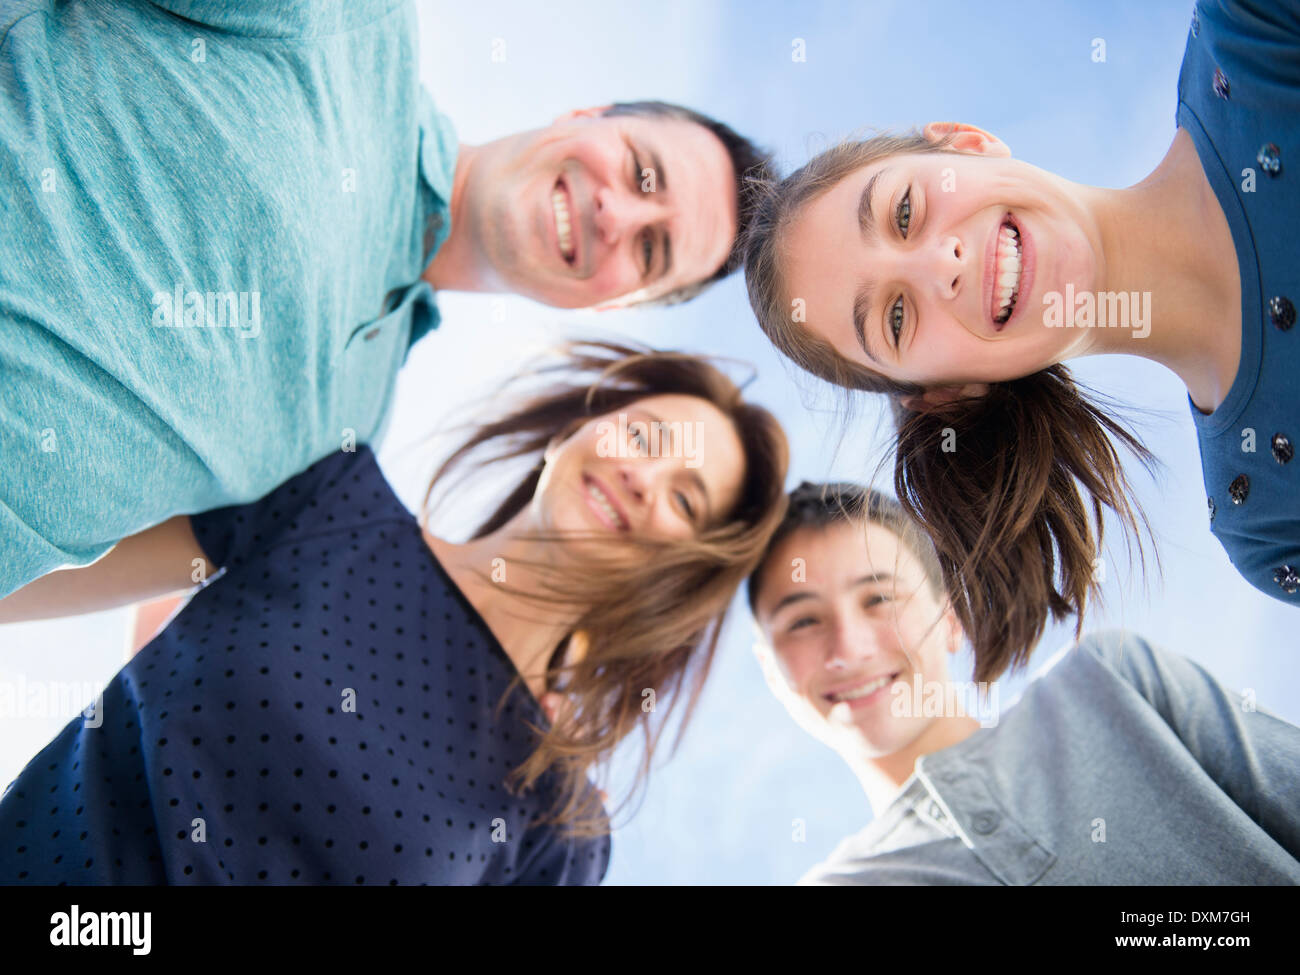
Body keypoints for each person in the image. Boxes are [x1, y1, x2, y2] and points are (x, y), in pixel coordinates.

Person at [0, 0, 774, 602]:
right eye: (643, 173)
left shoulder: (350, 442)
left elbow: (85, 577)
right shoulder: (347, 21)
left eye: (652, 249)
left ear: (614, 306)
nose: (619, 214)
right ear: (585, 116)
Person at [0, 340, 790, 884]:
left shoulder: (560, 819)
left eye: (686, 497)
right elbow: (25, 568)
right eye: (645, 434)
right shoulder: (325, 497)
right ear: (573, 430)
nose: (647, 477)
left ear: (677, 573)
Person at [742, 0, 1300, 682]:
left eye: (905, 212)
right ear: (949, 392)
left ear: (964, 143)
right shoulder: (1270, 521)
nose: (939, 266)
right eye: (894, 318)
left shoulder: (1250, 29)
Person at [748, 481, 1300, 885]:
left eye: (880, 599)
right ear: (772, 672)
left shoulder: (1114, 682)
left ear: (949, 621)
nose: (850, 648)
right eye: (802, 621)